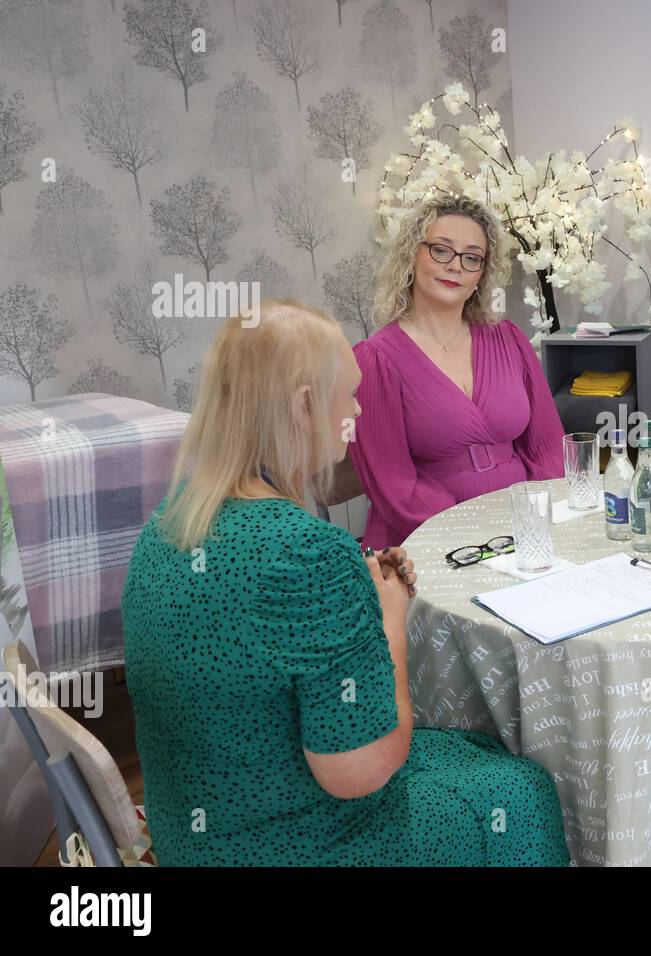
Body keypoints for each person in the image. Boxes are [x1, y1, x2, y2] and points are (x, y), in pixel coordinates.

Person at [121, 300, 570, 866]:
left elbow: (247, 648)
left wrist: (345, 604)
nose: (358, 409)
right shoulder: (308, 552)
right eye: (349, 394)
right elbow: (361, 769)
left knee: (471, 746)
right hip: (299, 847)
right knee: (520, 787)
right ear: (306, 406)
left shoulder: (167, 522)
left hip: (195, 829)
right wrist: (388, 621)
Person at [351, 193, 564, 550]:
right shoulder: (375, 360)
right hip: (433, 537)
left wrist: (538, 515)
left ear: (481, 274)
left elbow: (548, 448)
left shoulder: (509, 339)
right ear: (412, 255)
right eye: (441, 250)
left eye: (472, 258)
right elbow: (393, 484)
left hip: (524, 525)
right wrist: (476, 535)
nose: (456, 267)